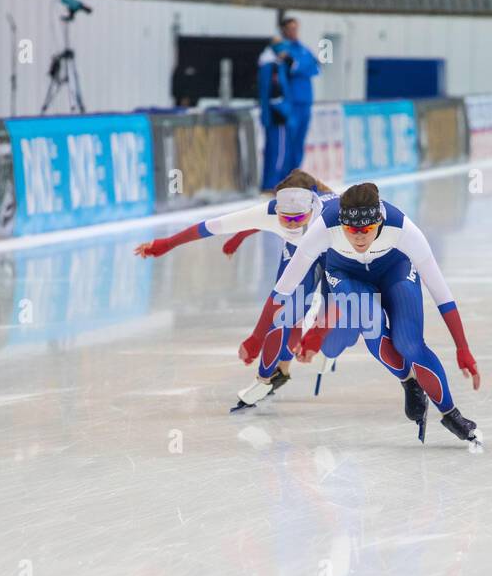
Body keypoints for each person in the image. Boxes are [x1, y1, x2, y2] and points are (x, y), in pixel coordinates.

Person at [265, 182, 482, 448]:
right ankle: (408, 381)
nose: (358, 238)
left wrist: (463, 347)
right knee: (372, 326)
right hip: (345, 275)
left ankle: (450, 414)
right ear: (341, 224)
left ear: (378, 221)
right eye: (350, 231)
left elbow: (442, 294)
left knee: (409, 343)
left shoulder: (402, 229)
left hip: (395, 270)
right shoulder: (324, 228)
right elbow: (282, 291)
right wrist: (257, 336)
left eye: (366, 230)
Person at [133, 170, 338, 409]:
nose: (292, 224)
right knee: (289, 312)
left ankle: (316, 348)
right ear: (276, 209)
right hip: (297, 253)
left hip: (332, 250)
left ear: (312, 208)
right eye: (285, 218)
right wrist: (166, 244)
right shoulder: (270, 211)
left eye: (298, 218)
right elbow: (208, 227)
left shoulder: (332, 214)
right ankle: (280, 371)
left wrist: (320, 333)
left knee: (327, 303)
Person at [276, 17, 319, 175]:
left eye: (296, 29)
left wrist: (297, 66)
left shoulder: (303, 48)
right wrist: (298, 67)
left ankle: (295, 174)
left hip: (305, 101)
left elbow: (314, 68)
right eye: (291, 29)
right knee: (289, 141)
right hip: (291, 102)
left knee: (300, 141)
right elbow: (290, 68)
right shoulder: (283, 48)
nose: (294, 32)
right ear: (284, 31)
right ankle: (283, 177)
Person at [257, 35, 294, 191]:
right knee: (278, 152)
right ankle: (273, 184)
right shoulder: (271, 67)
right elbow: (274, 94)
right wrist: (284, 111)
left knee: (274, 151)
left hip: (273, 115)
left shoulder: (274, 65)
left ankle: (270, 184)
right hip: (276, 117)